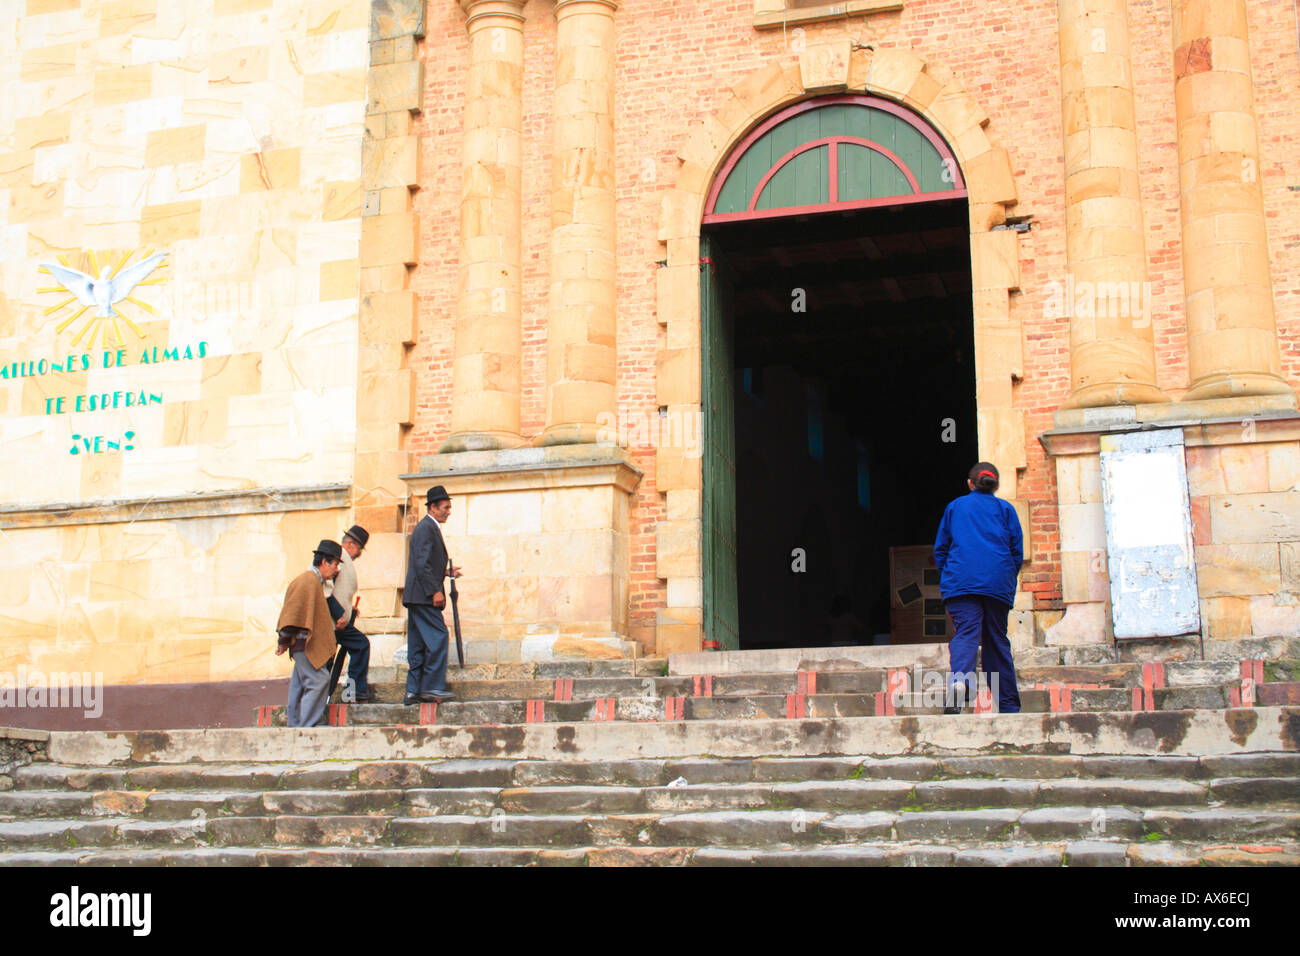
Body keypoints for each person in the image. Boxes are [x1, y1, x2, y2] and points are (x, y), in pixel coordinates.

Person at [933, 462, 1023, 715]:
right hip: (997, 583)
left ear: (970, 483)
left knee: (966, 633)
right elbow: (1017, 552)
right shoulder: (1006, 509)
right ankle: (1007, 705)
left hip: (961, 582)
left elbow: (941, 549)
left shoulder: (955, 507)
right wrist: (1004, 578)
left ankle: (960, 681)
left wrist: (951, 576)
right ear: (996, 485)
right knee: (996, 641)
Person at [402, 486, 462, 705]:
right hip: (424, 596)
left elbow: (424, 562)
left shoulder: (426, 528)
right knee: (439, 636)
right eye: (445, 508)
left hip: (416, 596)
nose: (448, 512)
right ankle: (432, 687)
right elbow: (420, 562)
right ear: (433, 508)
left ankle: (413, 690)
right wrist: (435, 590)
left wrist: (445, 572)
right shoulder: (427, 528)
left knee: (418, 643)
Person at [276, 540, 342, 728]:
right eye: (335, 564)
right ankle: (306, 725)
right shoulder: (308, 581)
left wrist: (285, 640)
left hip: (302, 643)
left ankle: (295, 724)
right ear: (324, 563)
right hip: (304, 644)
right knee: (319, 680)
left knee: (298, 685)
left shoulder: (314, 582)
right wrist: (284, 640)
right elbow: (292, 613)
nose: (336, 569)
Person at [326, 524, 374, 702]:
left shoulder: (343, 559)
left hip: (341, 620)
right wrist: (339, 613)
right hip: (333, 621)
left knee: (359, 645)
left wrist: (349, 609)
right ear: (352, 545)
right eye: (359, 550)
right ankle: (352, 691)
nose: (358, 555)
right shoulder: (338, 557)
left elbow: (340, 591)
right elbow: (326, 590)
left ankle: (352, 692)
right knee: (359, 646)